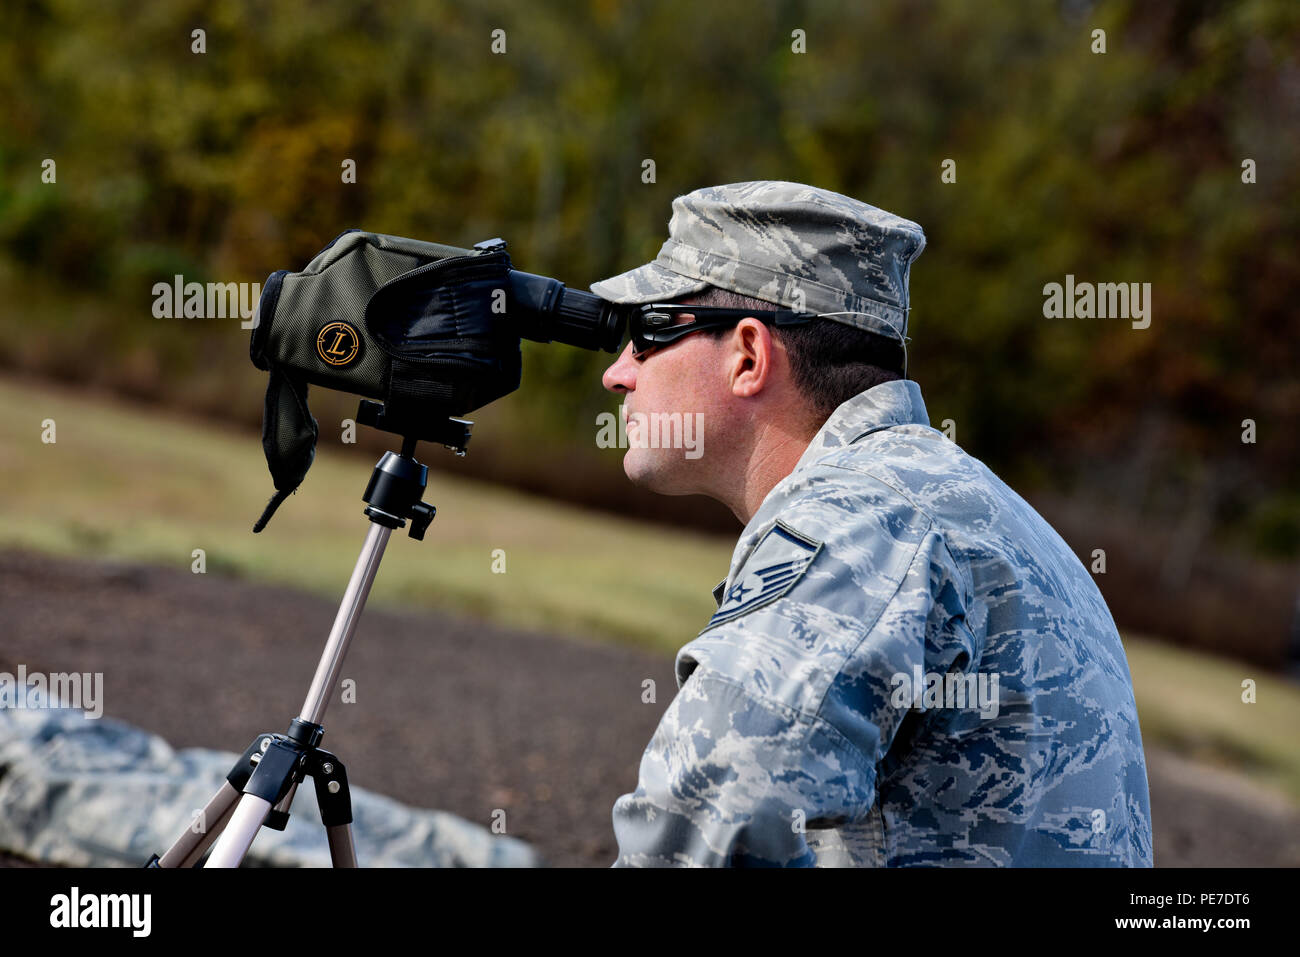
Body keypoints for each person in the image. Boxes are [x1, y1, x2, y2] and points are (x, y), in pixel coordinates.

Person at [590, 180, 1153, 867]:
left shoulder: (858, 517)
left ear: (747, 355)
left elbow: (712, 823)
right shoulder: (985, 511)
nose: (618, 373)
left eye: (649, 331)